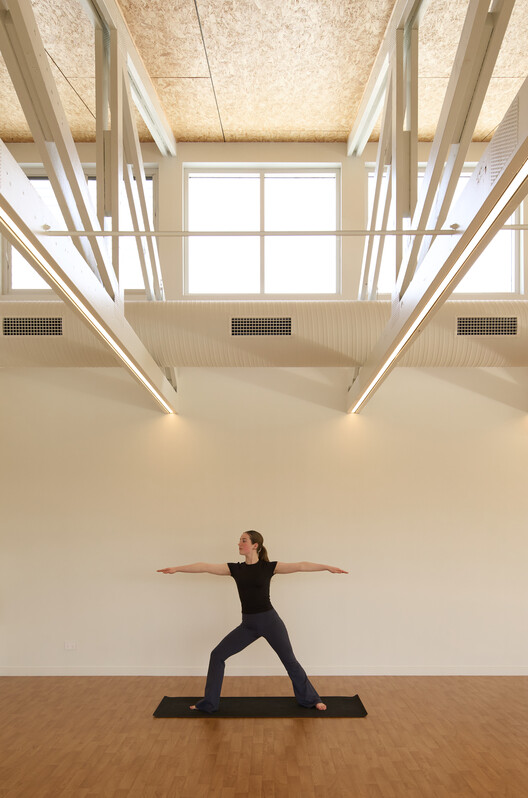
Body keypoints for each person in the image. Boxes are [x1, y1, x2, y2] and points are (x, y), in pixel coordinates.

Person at [157, 530, 348, 713]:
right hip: (248, 625)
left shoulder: (269, 567)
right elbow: (205, 566)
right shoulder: (235, 569)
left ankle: (311, 699)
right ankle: (208, 703)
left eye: (243, 540)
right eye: (239, 540)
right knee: (217, 655)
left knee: (289, 661)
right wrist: (177, 569)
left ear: (255, 545)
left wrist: (327, 567)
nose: (239, 543)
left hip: (270, 622)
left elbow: (301, 565)